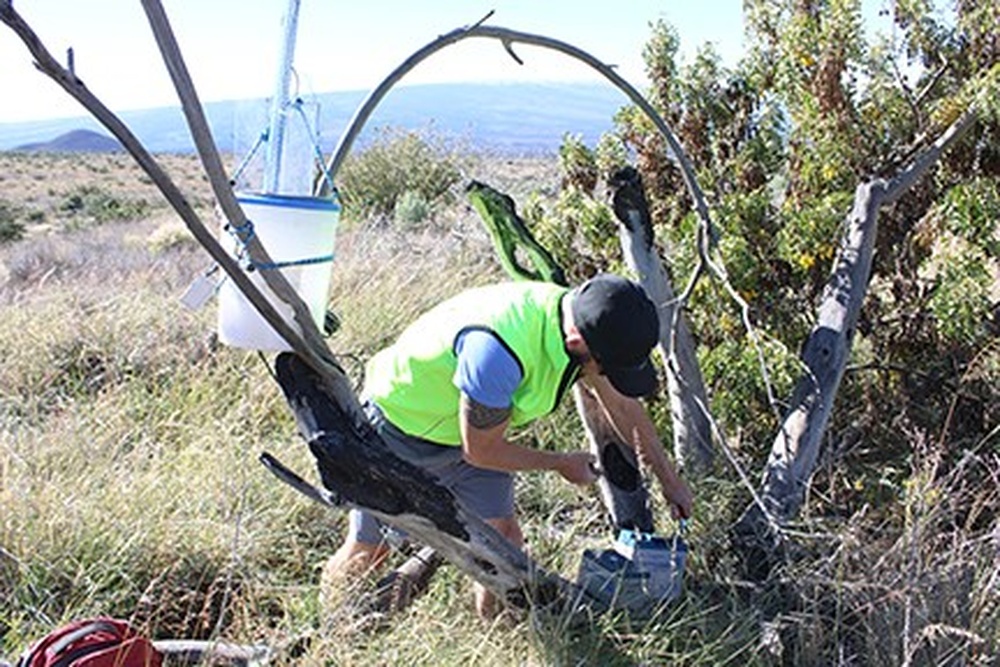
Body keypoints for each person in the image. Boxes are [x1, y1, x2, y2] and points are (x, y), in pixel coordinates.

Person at [325, 273, 694, 617]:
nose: (609, 376)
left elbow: (623, 407)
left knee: (502, 541)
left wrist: (669, 480)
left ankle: (498, 634)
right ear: (578, 343)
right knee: (371, 548)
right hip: (402, 429)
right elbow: (481, 451)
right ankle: (332, 628)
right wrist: (560, 463)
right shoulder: (497, 354)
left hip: (466, 432)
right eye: (608, 366)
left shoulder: (576, 322)